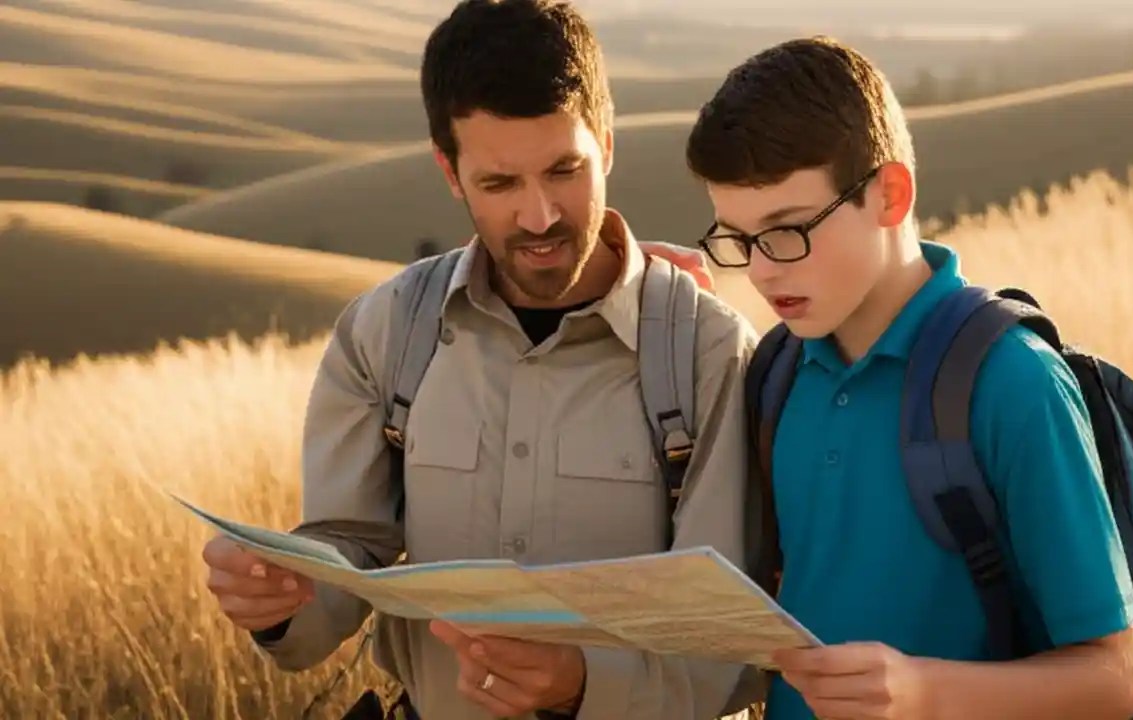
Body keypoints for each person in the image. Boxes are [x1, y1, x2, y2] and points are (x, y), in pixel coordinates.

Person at [200, 1, 756, 718]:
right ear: (449, 172)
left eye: (565, 171)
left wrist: (585, 685)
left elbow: (733, 640)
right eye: (499, 184)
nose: (540, 217)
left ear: (608, 146)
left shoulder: (708, 354)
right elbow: (345, 558)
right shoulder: (385, 332)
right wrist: (279, 599)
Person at [682, 36, 1133, 720]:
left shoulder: (1012, 382)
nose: (760, 270)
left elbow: (1115, 679)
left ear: (890, 194)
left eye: (786, 231)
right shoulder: (778, 371)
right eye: (738, 239)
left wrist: (924, 692)